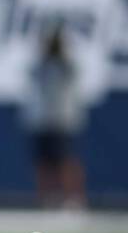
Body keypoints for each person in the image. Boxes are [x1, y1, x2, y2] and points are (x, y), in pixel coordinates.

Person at [20, 21, 87, 208]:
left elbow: (72, 70)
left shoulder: (66, 67)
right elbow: (32, 73)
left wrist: (61, 48)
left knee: (64, 161)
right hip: (42, 121)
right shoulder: (41, 67)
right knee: (43, 163)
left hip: (62, 121)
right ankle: (46, 199)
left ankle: (73, 199)